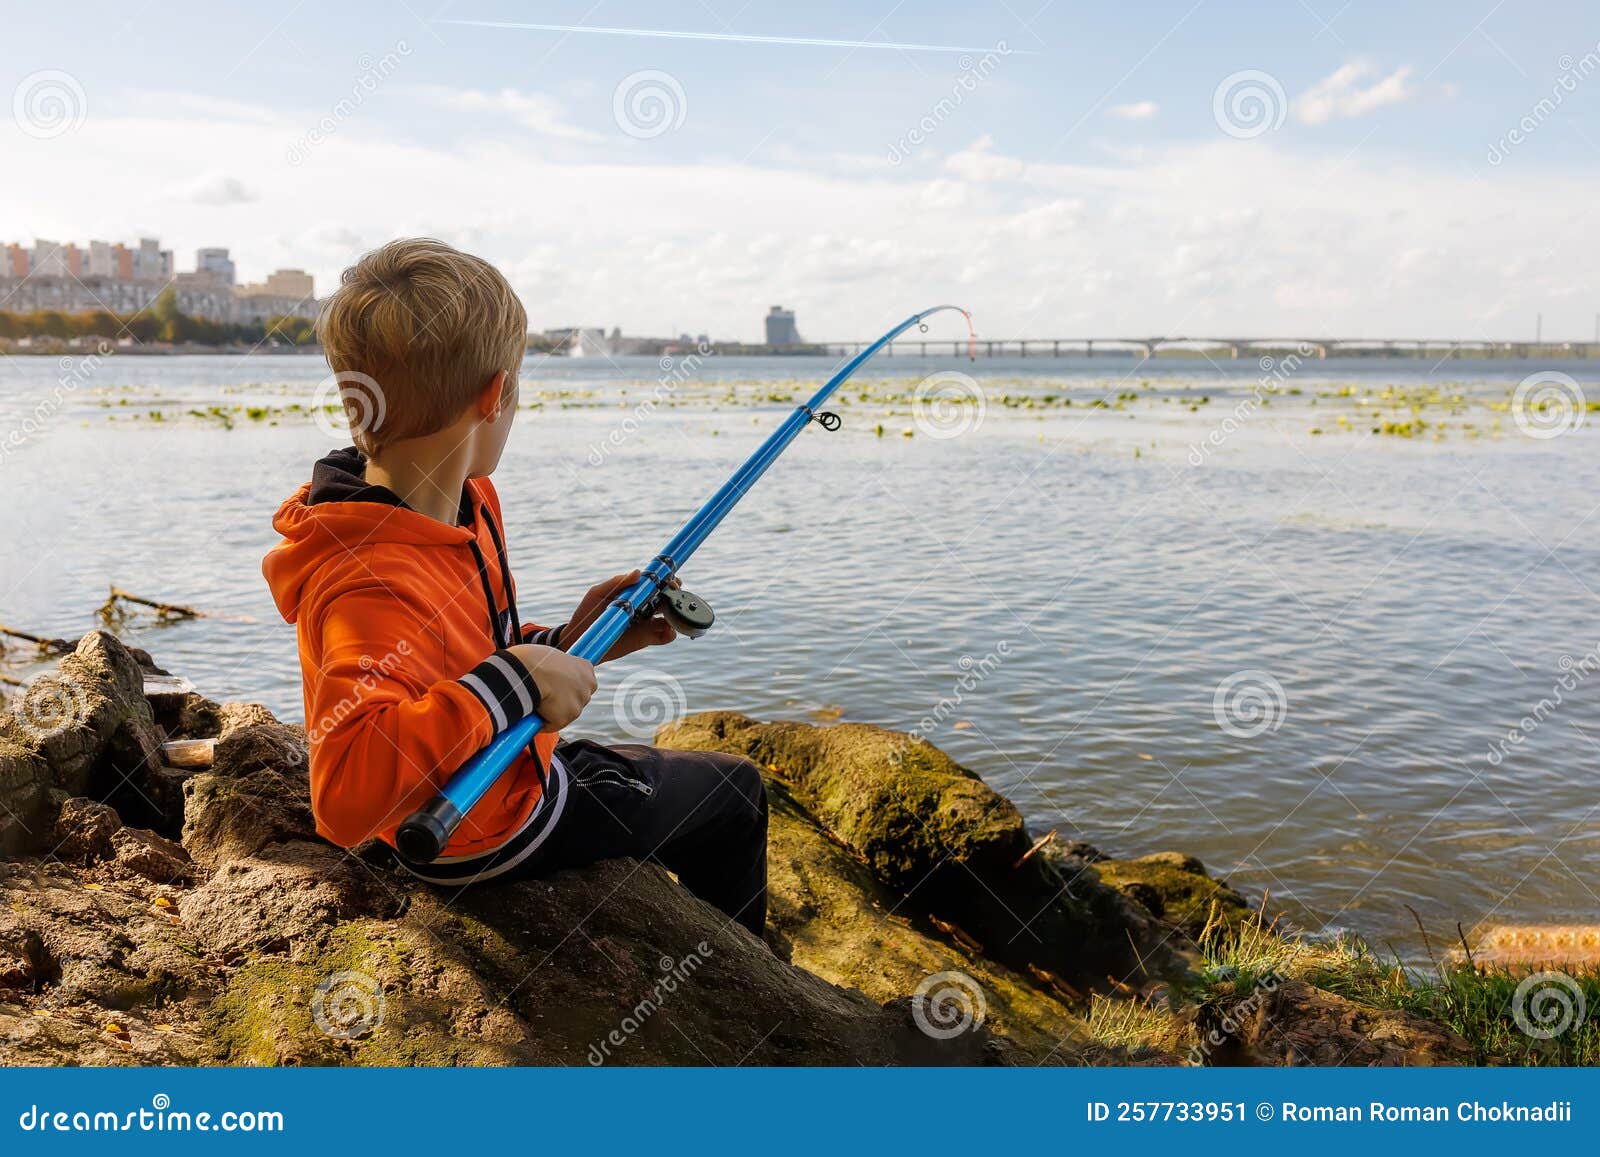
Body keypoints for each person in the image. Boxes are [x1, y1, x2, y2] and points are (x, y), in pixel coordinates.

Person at [262, 238, 767, 935]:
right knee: (737, 794)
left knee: (671, 782)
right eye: (519, 387)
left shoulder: (468, 504)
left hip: (505, 769)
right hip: (473, 828)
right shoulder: (365, 577)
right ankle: (743, 991)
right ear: (494, 396)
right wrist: (519, 680)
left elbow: (467, 660)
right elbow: (345, 794)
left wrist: (568, 643)